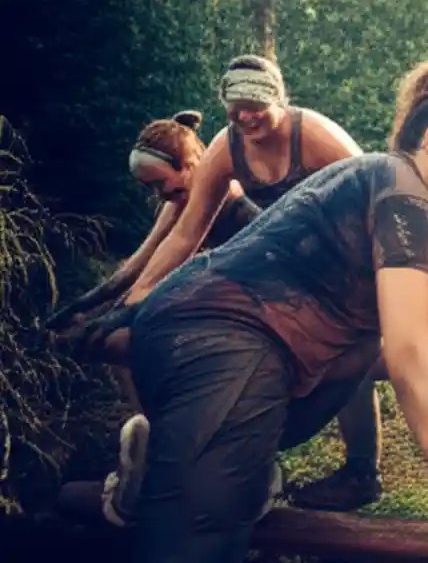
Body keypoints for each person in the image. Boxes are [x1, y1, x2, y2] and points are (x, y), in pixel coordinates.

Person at [113, 60, 428, 563]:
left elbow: (413, 313)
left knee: (359, 347)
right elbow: (412, 357)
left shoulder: (380, 179)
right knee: (199, 542)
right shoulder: (408, 199)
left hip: (195, 338)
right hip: (225, 342)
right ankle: (196, 469)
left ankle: (182, 462)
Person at [112, 55, 384, 512]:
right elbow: (185, 233)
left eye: (255, 102)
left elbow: (383, 198)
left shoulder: (313, 137)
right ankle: (229, 460)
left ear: (278, 98)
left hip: (343, 268)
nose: (245, 114)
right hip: (278, 275)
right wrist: (137, 299)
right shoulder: (228, 147)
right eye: (234, 105)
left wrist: (386, 283)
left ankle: (361, 471)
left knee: (352, 355)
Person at [44, 111, 259, 335]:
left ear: (189, 164)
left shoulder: (227, 194)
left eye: (160, 183)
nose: (160, 193)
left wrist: (115, 316)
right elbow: (136, 267)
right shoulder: (176, 202)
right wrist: (78, 309)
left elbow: (178, 271)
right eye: (150, 187)